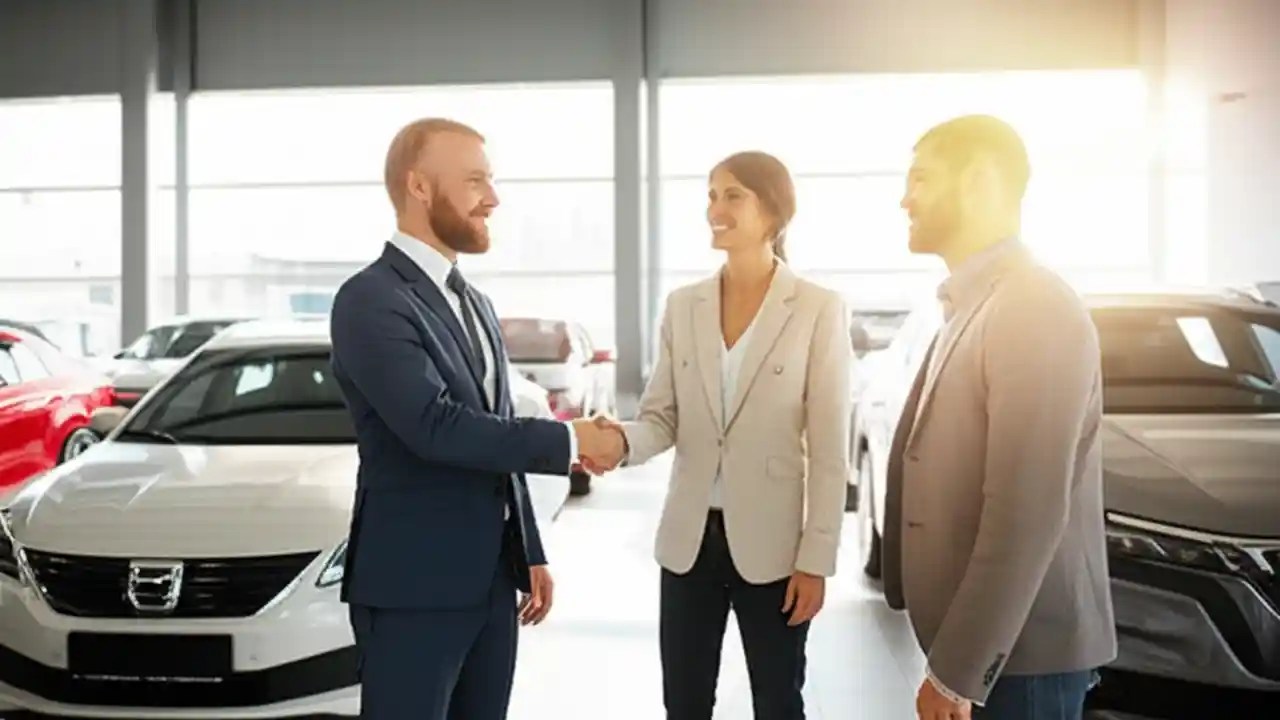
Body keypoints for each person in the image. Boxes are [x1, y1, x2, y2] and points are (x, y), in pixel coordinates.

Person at [328, 117, 623, 720]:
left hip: (490, 582)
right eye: (474, 181)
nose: (493, 197)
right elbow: (434, 426)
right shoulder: (370, 299)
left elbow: (495, 430)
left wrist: (528, 551)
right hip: (413, 586)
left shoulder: (475, 302)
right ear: (419, 187)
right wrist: (569, 438)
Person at [591, 151, 854, 719]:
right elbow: (662, 418)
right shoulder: (683, 307)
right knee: (684, 704)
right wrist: (617, 443)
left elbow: (831, 450)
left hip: (775, 549)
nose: (716, 208)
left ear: (774, 211)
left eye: (733, 195)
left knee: (778, 703)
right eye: (711, 195)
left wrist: (817, 560)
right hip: (689, 546)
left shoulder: (816, 309)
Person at [882, 115, 1117, 720]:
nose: (904, 198)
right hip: (998, 655)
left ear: (981, 182)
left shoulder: (1032, 305)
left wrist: (960, 673)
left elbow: (1026, 508)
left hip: (1021, 662)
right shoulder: (974, 302)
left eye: (922, 179)